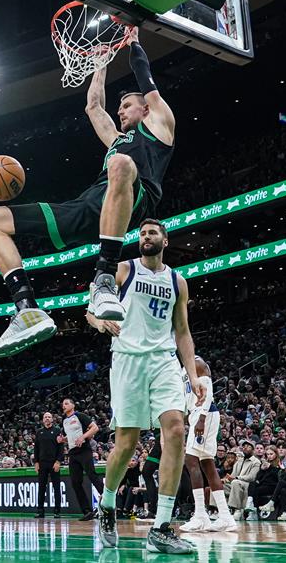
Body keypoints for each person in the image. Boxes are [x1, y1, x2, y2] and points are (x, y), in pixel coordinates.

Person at [0, 29, 175, 358]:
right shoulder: (115, 141)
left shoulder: (160, 127)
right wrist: (101, 61)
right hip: (88, 206)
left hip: (135, 199)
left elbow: (147, 81)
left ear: (145, 110)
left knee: (122, 165)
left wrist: (134, 42)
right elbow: (94, 106)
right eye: (121, 107)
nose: (121, 110)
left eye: (127, 105)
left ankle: (104, 277)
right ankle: (27, 309)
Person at [87, 218, 203, 554]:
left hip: (164, 360)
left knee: (176, 429)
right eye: (141, 233)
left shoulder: (177, 281)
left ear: (165, 241)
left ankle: (161, 527)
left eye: (152, 233)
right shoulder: (122, 270)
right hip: (127, 360)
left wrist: (192, 374)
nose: (145, 237)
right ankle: (107, 506)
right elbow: (90, 309)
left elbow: (182, 330)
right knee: (126, 443)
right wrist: (99, 322)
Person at [180, 355, 237, 533]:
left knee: (191, 460)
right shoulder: (182, 370)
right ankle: (226, 517)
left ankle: (200, 515)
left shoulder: (197, 363)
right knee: (207, 464)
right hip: (195, 414)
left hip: (205, 414)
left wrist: (202, 418)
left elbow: (209, 391)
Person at [60, 398, 104, 520]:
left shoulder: (80, 415)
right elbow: (69, 436)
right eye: (63, 404)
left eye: (66, 403)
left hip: (84, 450)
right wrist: (62, 440)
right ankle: (87, 511)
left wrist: (83, 437)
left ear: (73, 405)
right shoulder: (64, 421)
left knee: (92, 476)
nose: (64, 406)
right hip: (72, 453)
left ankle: (109, 502)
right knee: (75, 482)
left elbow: (94, 428)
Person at [33, 411, 64, 518]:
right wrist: (36, 462)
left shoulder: (57, 431)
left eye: (49, 417)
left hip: (54, 463)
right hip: (42, 463)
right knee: (41, 487)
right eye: (45, 417)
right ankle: (40, 511)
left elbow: (61, 448)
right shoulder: (39, 432)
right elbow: (36, 448)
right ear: (43, 420)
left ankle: (57, 511)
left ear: (52, 419)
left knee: (56, 487)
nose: (47, 418)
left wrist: (58, 461)